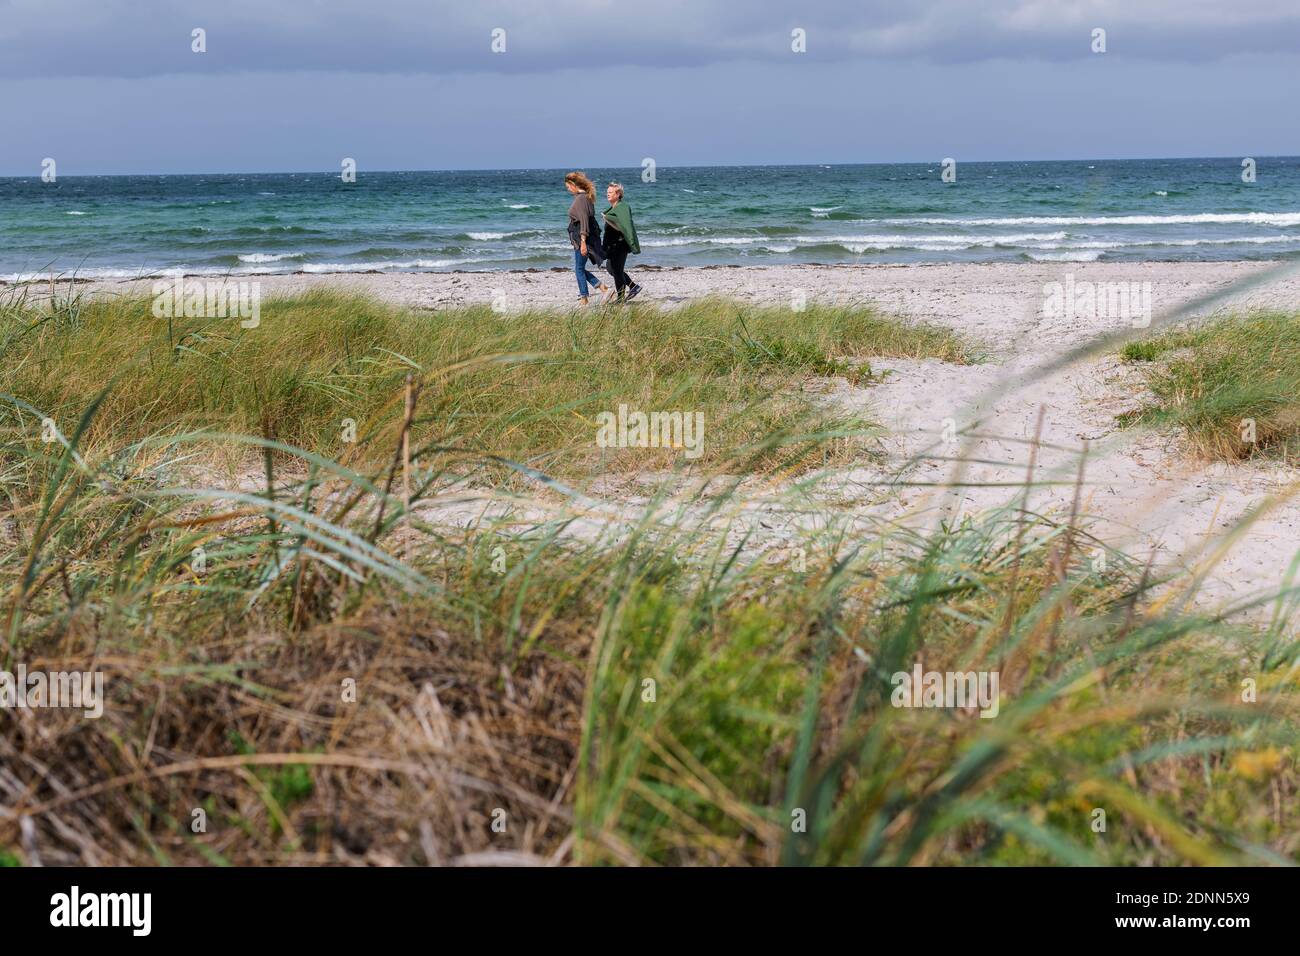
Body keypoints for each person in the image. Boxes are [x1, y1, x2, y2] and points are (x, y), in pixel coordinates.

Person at [563, 171, 609, 304]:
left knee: (578, 269)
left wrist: (583, 241)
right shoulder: (585, 197)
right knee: (579, 268)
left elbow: (583, 221)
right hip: (582, 238)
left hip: (582, 239)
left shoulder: (581, 199)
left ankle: (585, 298)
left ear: (573, 184)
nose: (568, 190)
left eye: (568, 187)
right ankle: (602, 288)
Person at [601, 182, 642, 302]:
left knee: (617, 271)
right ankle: (633, 286)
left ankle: (620, 299)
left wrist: (607, 219)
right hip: (612, 246)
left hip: (620, 245)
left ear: (618, 194)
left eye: (610, 192)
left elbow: (623, 226)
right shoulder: (613, 207)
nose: (607, 194)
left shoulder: (622, 207)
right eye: (607, 192)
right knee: (610, 268)